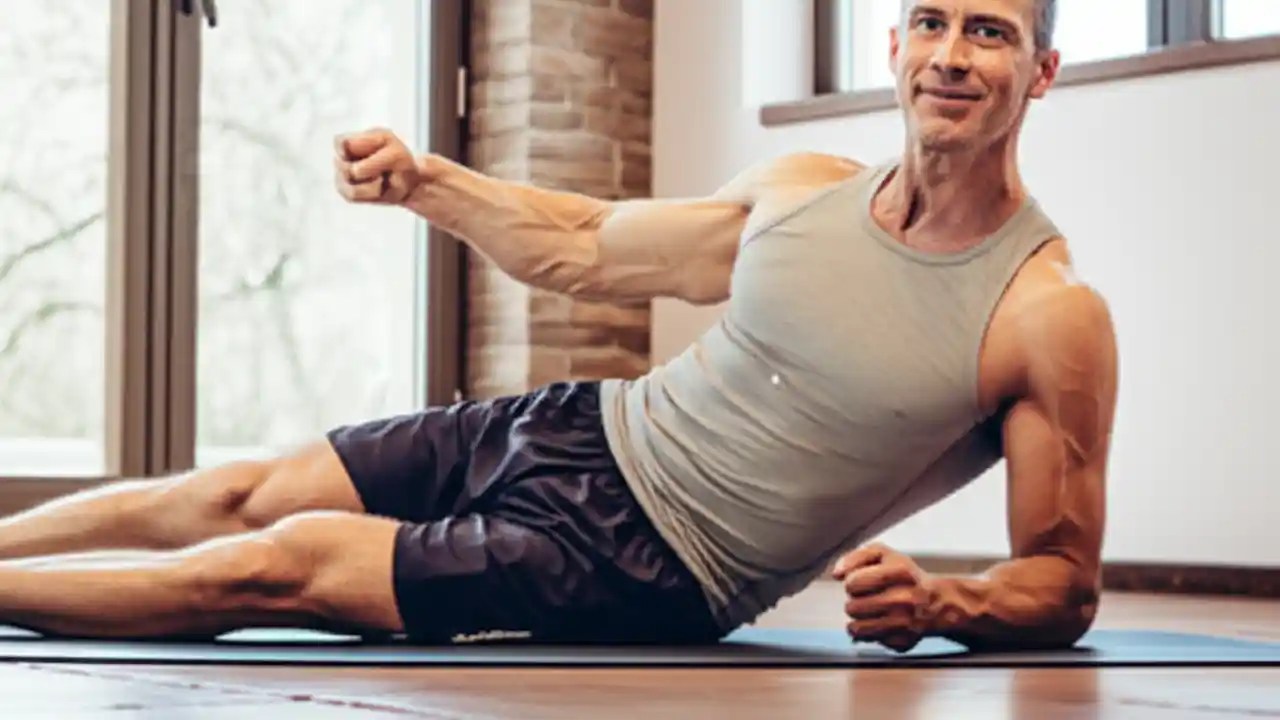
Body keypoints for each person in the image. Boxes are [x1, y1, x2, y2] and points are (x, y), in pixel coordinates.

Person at [0, 0, 1115, 653]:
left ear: (1042, 71)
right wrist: (428, 180)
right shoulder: (800, 186)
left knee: (278, 565)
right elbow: (584, 244)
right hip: (573, 426)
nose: (951, 56)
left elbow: (1062, 578)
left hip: (647, 560)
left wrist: (940, 601)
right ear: (893, 47)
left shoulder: (1043, 311)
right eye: (929, 21)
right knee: (238, 491)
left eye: (989, 32)